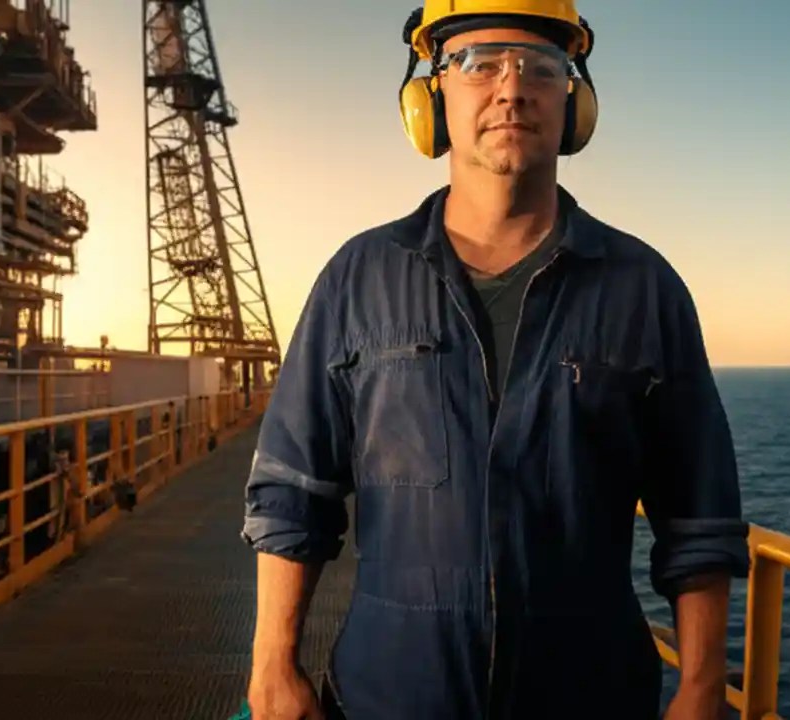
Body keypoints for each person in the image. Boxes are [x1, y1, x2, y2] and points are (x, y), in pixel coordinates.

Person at [241, 1, 750, 718]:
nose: (512, 89)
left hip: (591, 699)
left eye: (541, 67)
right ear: (431, 97)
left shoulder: (644, 288)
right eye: (479, 64)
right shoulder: (357, 280)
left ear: (573, 103)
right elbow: (294, 490)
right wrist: (273, 666)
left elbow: (698, 512)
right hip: (390, 698)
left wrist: (700, 686)